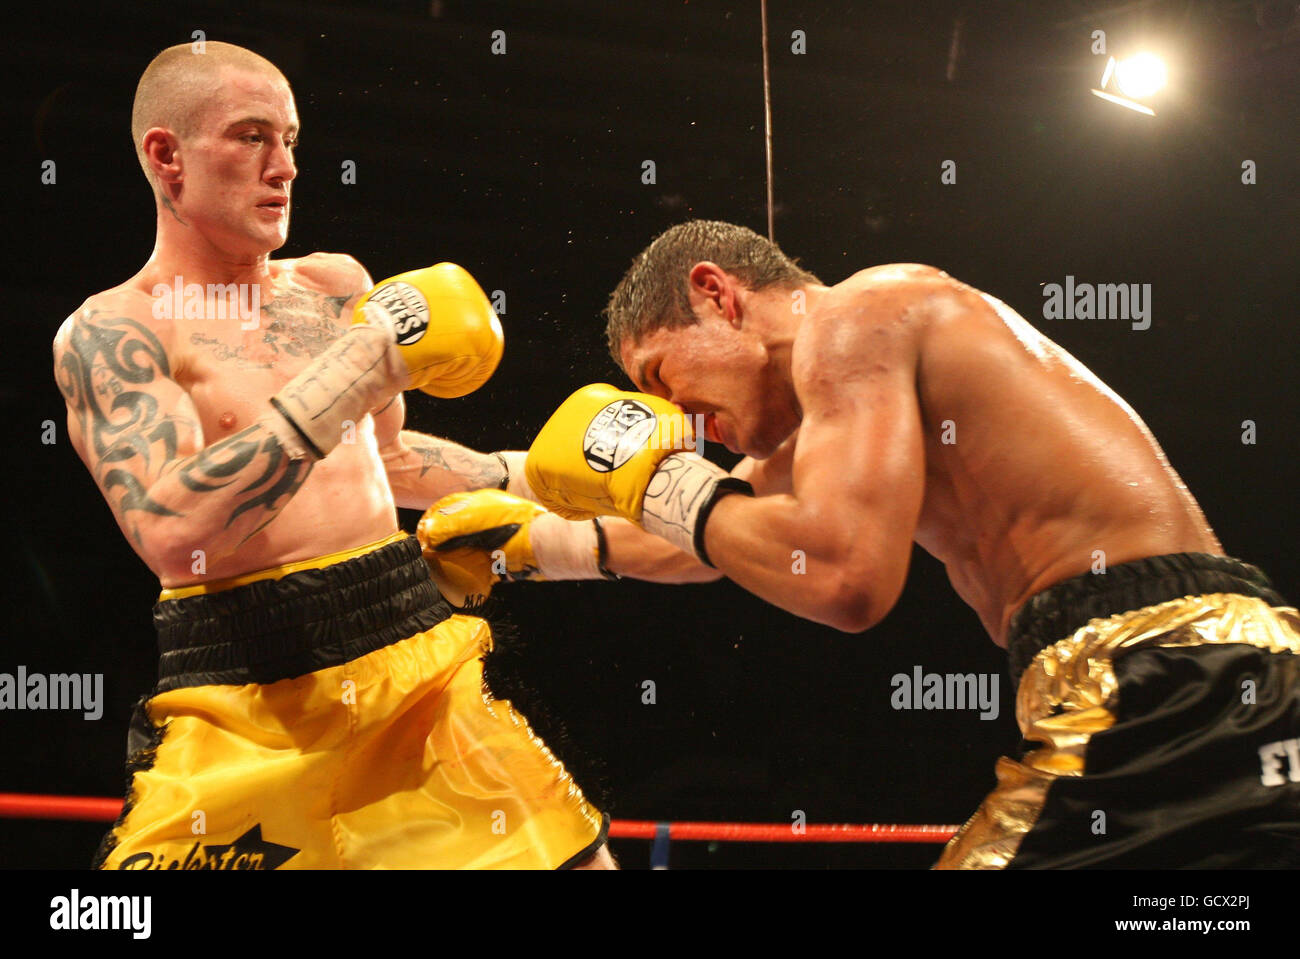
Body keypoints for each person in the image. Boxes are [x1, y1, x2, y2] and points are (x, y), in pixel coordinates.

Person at [420, 219, 1300, 868]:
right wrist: (527, 530)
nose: (680, 423)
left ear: (716, 295)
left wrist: (652, 479)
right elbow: (711, 539)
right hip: (1213, 669)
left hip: (1154, 676)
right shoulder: (836, 417)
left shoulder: (858, 317)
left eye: (661, 378)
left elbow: (843, 577)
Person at [52, 41, 611, 869]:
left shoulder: (335, 287)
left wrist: (531, 476)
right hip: (241, 701)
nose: (283, 167)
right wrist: (350, 376)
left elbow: (379, 456)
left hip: (412, 666)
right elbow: (172, 528)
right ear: (165, 155)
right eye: (251, 137)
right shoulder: (113, 331)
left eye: (292, 140)